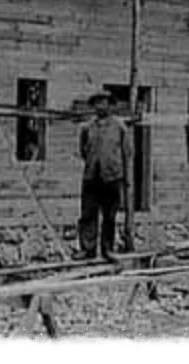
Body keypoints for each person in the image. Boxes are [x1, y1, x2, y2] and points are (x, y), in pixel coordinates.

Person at [76, 90, 132, 261]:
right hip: (91, 176)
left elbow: (127, 153)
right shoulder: (87, 127)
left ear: (110, 105)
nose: (100, 106)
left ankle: (107, 249)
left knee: (109, 216)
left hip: (112, 178)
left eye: (104, 102)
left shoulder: (119, 127)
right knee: (88, 214)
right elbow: (83, 150)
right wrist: (93, 162)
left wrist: (122, 175)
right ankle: (88, 249)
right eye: (97, 103)